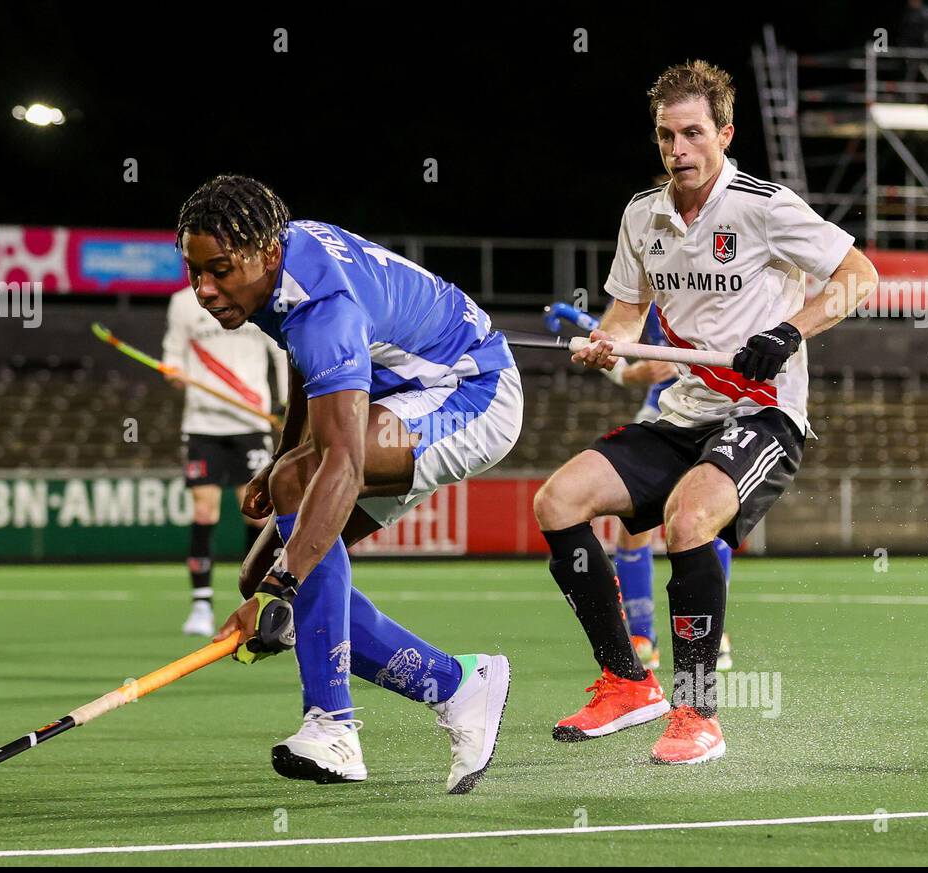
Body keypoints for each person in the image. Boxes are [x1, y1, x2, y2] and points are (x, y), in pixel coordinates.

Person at [533, 61, 877, 763]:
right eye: (667, 135)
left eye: (693, 133)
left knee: (687, 519)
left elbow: (860, 276)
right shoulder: (642, 215)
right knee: (558, 501)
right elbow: (626, 312)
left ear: (724, 134)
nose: (678, 149)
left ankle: (696, 713)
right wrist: (607, 343)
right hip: (683, 411)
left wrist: (789, 332)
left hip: (763, 413)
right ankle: (628, 683)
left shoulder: (764, 206)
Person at [176, 175, 521, 793]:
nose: (204, 290)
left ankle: (333, 726)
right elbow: (307, 364)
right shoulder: (281, 262)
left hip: (470, 393)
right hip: (399, 400)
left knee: (289, 551)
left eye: (219, 271)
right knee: (258, 575)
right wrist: (281, 459)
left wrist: (283, 586)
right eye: (195, 271)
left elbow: (343, 463)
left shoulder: (323, 308)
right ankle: (457, 685)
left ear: (266, 253)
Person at [604, 303, 735, 675]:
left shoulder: (730, 281)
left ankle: (713, 631)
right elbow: (614, 341)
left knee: (706, 519)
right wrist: (631, 374)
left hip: (719, 407)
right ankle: (642, 637)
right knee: (632, 520)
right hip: (661, 411)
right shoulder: (649, 278)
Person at [162, 284, 287, 639]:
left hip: (251, 423)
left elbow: (281, 353)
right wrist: (173, 372)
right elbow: (172, 355)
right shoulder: (182, 303)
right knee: (204, 512)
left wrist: (286, 402)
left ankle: (255, 597)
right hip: (202, 426)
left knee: (256, 515)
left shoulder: (253, 294)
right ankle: (201, 604)